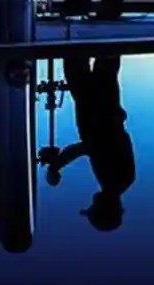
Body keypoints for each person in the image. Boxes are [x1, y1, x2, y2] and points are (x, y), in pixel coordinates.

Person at [42, 55, 135, 232]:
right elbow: (87, 147)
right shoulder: (113, 180)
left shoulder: (121, 181)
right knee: (77, 58)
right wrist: (56, 166)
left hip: (100, 106)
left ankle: (104, 31)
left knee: (105, 60)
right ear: (104, 209)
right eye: (93, 208)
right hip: (95, 106)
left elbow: (94, 146)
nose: (91, 203)